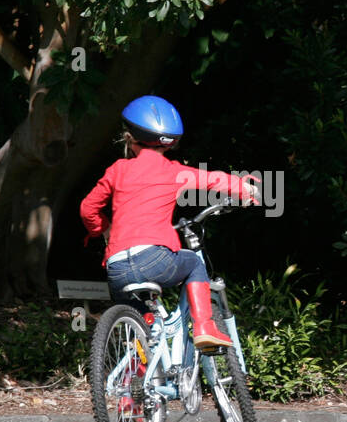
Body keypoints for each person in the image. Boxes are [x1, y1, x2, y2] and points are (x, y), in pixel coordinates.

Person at [80, 95, 259, 353]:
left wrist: (103, 230)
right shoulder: (172, 171)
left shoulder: (118, 169)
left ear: (130, 137)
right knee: (194, 263)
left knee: (142, 325)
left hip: (117, 267)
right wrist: (243, 188)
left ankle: (134, 385)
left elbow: (88, 208)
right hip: (155, 260)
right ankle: (205, 328)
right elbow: (213, 180)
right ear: (170, 142)